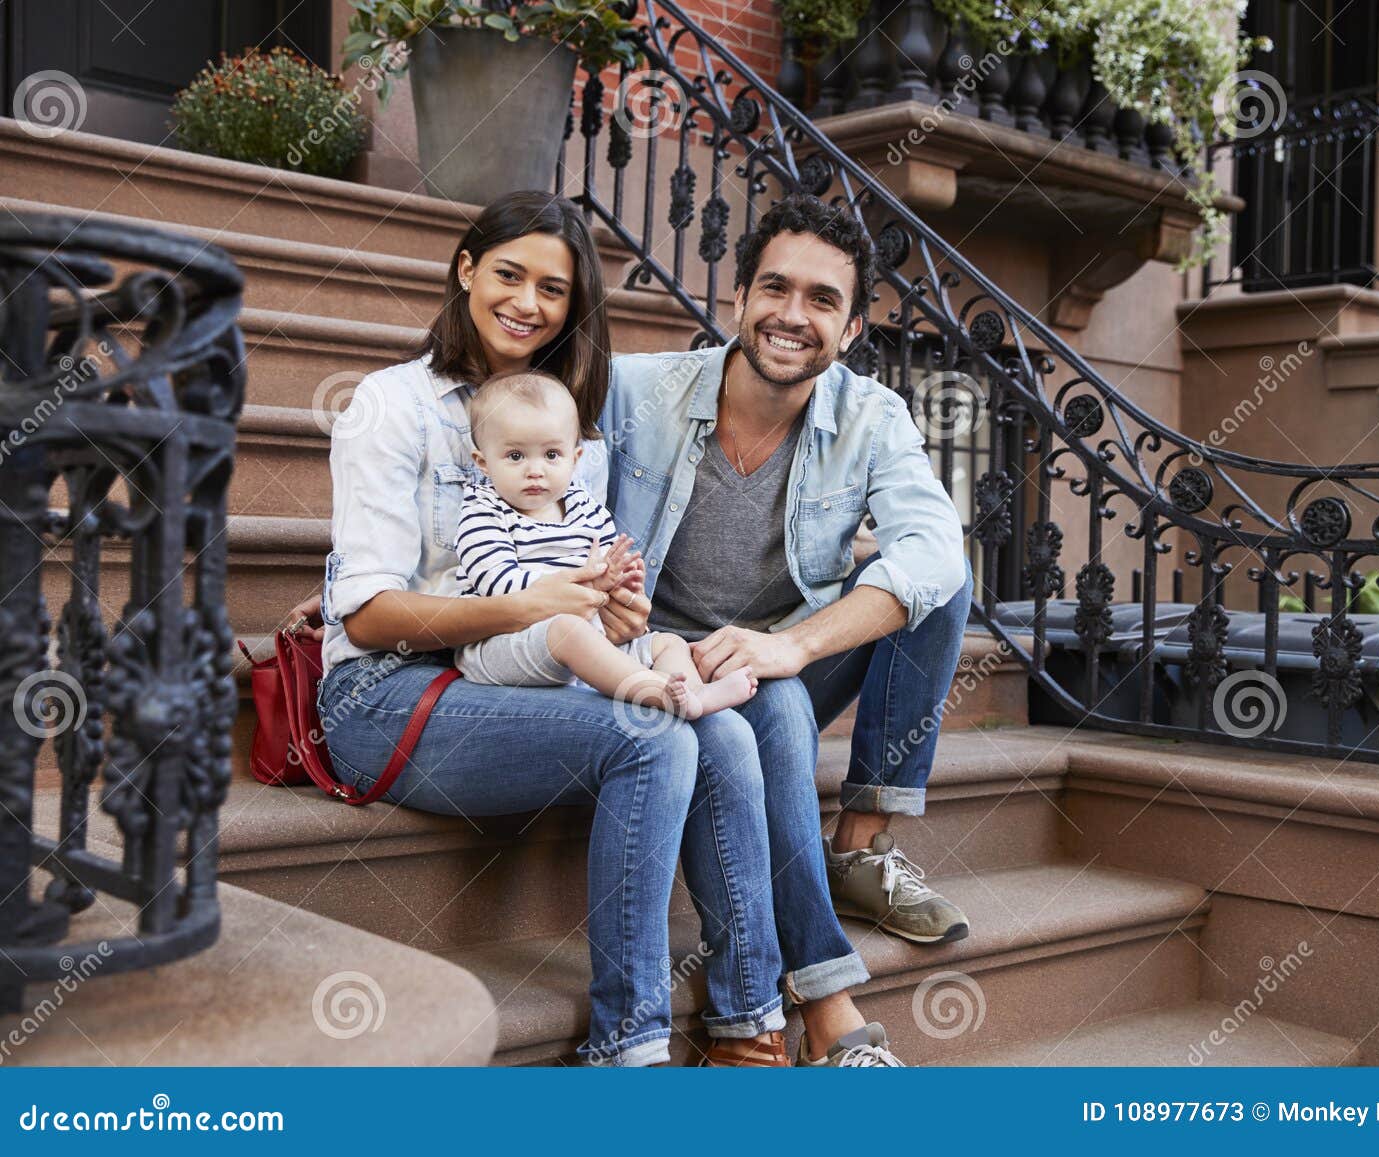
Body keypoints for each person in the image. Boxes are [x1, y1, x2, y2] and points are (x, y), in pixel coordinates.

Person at [298, 191, 788, 1066]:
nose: (528, 302)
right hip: (388, 696)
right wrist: (538, 607)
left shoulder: (571, 429)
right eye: (509, 275)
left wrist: (615, 608)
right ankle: (629, 1047)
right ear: (465, 271)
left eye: (553, 289)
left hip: (522, 677)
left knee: (724, 730)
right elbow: (369, 616)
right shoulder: (389, 404)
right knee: (653, 739)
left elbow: (574, 576)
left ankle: (749, 1019)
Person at [604, 193, 975, 1065]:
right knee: (767, 713)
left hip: (776, 659)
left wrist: (794, 645)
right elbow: (502, 468)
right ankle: (829, 1009)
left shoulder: (870, 414)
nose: (792, 316)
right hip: (657, 664)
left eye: (823, 301)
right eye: (776, 288)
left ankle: (861, 844)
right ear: (737, 300)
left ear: (850, 332)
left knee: (935, 583)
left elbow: (931, 552)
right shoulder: (633, 392)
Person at [452, 369, 758, 718]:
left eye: (551, 455)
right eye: (516, 456)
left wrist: (620, 579)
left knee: (668, 643)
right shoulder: (483, 510)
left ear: (575, 459)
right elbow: (496, 583)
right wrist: (584, 583)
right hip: (504, 643)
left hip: (590, 635)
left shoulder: (585, 507)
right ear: (483, 462)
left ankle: (694, 694)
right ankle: (659, 694)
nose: (535, 470)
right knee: (568, 630)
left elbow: (605, 566)